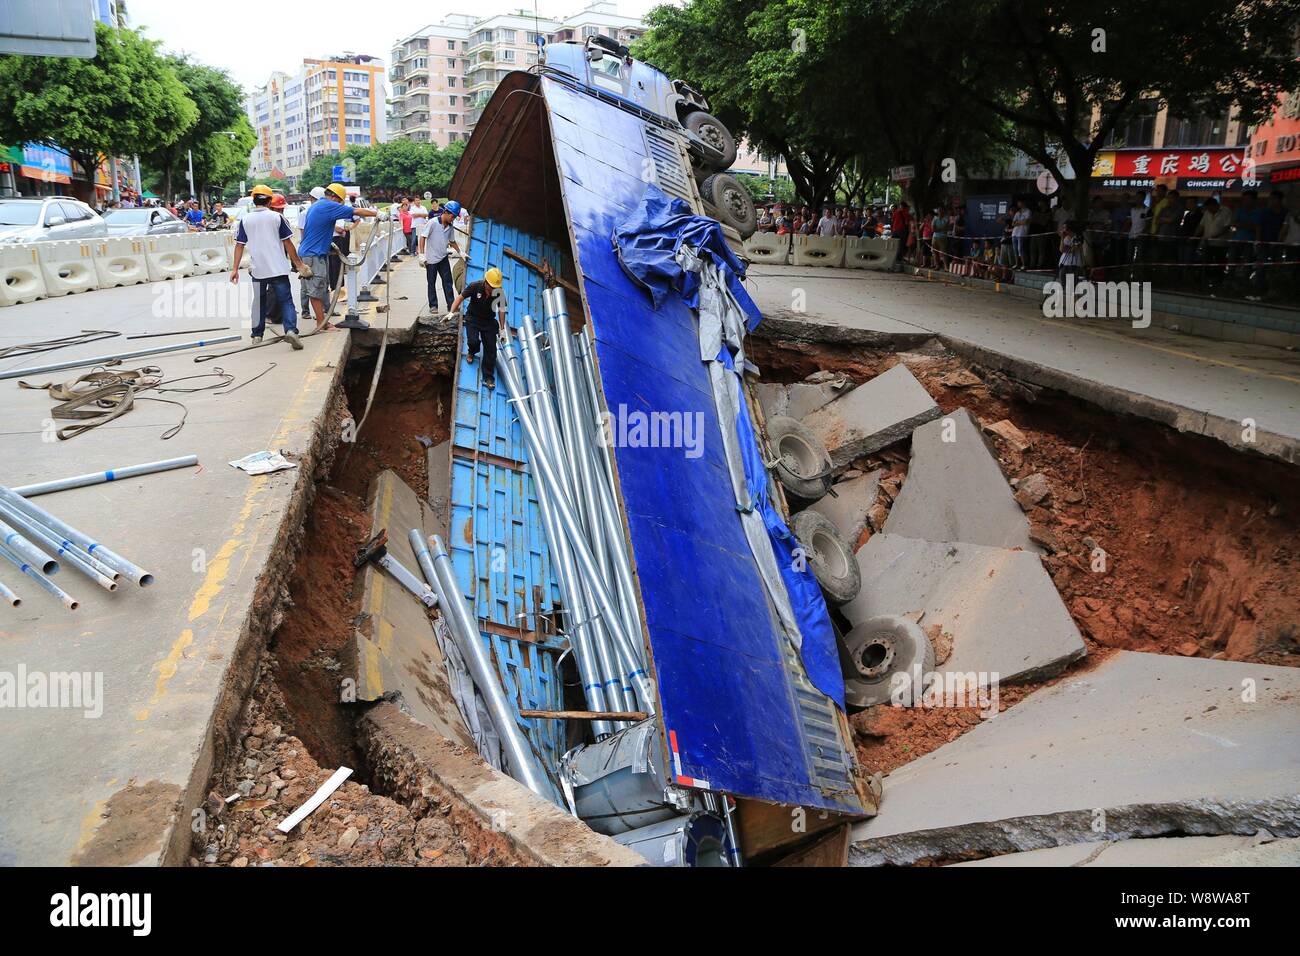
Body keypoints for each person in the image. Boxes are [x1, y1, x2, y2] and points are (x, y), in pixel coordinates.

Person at [229, 184, 308, 350]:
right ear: (270, 200)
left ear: (254, 199)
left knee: (259, 301)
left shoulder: (246, 220)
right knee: (286, 301)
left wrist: (235, 269)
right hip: (278, 268)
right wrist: (299, 264)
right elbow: (288, 243)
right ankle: (291, 331)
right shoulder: (277, 218)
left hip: (258, 270)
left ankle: (257, 335)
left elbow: (239, 245)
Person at [297, 182, 377, 331]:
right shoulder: (328, 205)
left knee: (320, 288)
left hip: (314, 252)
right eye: (340, 201)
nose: (340, 204)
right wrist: (377, 214)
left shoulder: (318, 205)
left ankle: (323, 322)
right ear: (334, 197)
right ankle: (322, 324)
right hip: (313, 254)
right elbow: (356, 211)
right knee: (316, 289)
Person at [446, 266, 506, 389]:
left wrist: (502, 329)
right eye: (492, 287)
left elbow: (501, 310)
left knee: (491, 350)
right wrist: (452, 312)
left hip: (488, 321)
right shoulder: (475, 286)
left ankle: (488, 376)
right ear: (486, 282)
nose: (493, 289)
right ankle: (472, 351)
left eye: (496, 287)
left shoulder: (499, 293)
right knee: (473, 341)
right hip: (473, 318)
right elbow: (460, 297)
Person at [419, 199, 462, 314]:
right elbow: (423, 237)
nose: (453, 219)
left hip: (443, 258)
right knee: (431, 283)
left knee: (448, 282)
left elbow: (452, 241)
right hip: (431, 259)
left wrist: (460, 252)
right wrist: (422, 254)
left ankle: (451, 305)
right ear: (446, 213)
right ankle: (433, 305)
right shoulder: (433, 223)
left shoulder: (450, 227)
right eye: (452, 216)